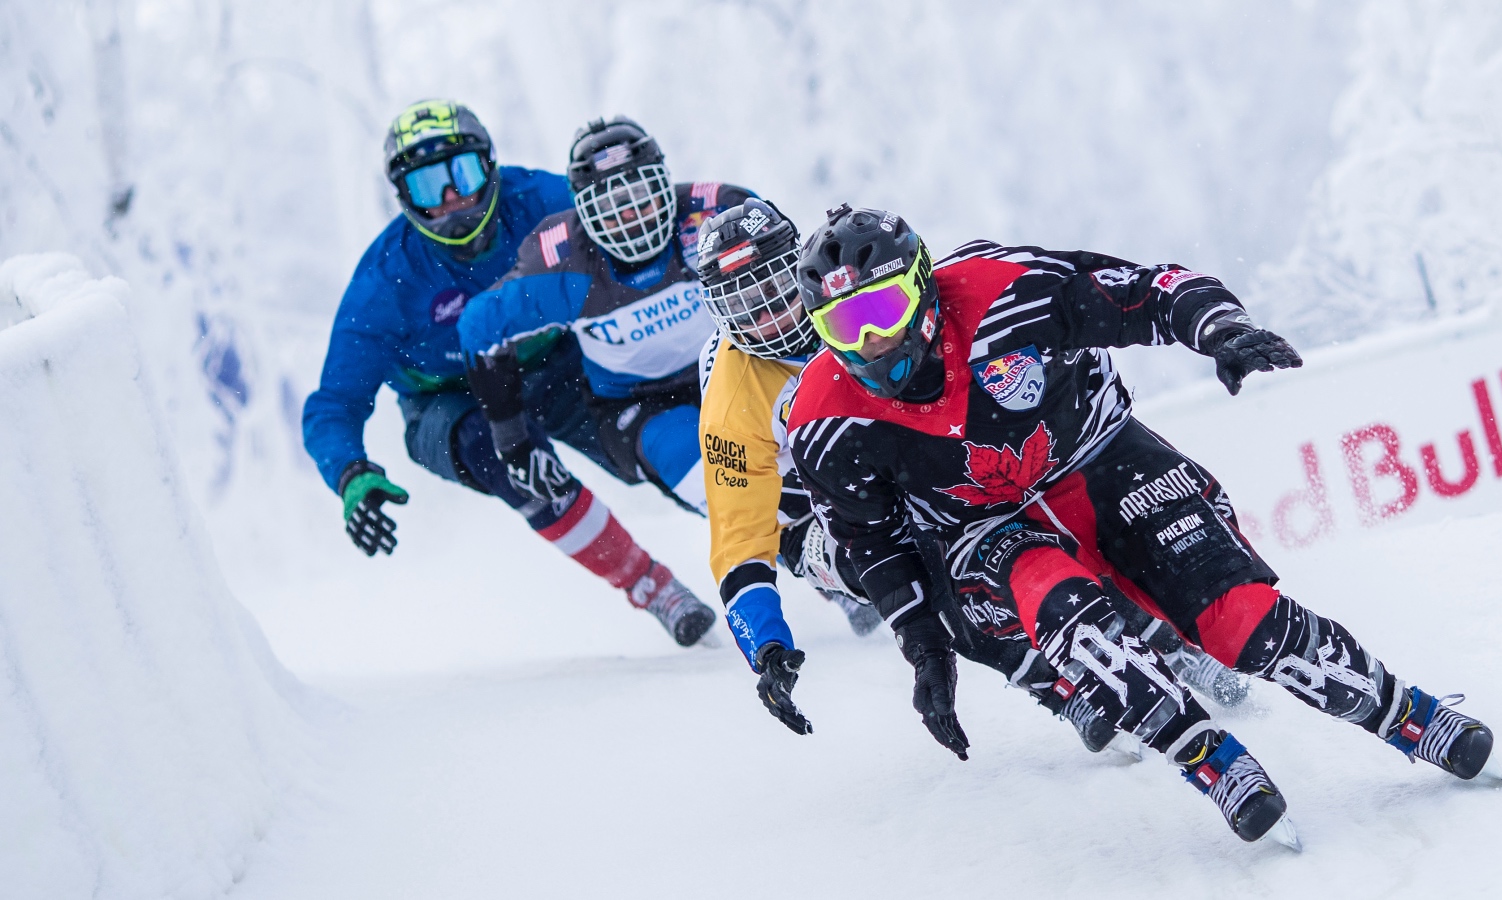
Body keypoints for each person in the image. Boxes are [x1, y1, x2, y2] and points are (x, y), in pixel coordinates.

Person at [787, 204, 1502, 845]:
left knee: (1243, 625)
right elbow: (870, 542)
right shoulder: (823, 419)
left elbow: (1145, 292)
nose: (872, 342)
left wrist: (1221, 330)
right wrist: (926, 651)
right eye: (844, 327)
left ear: (923, 285)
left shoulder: (1006, 287)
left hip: (1104, 462)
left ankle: (1407, 712)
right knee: (1079, 625)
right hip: (986, 534)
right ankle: (1208, 760)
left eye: (882, 309)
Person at [693, 200, 1241, 745]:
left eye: (775, 292)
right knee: (928, 577)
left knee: (1018, 516)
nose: (769, 318)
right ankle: (1054, 687)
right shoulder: (732, 398)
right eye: (746, 310)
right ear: (723, 319)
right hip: (818, 519)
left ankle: (1161, 633)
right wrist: (765, 647)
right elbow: (739, 537)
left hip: (916, 464)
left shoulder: (860, 293)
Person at [302, 100, 712, 647]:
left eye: (463, 174)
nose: (453, 199)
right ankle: (650, 586)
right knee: (508, 460)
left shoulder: (544, 203)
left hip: (553, 364)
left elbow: (642, 229)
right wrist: (350, 473)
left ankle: (797, 546)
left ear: (491, 166)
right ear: (404, 200)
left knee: (651, 451)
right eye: (430, 186)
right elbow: (334, 401)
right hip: (447, 401)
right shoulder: (384, 282)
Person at [457, 116, 747, 518]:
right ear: (583, 212)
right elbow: (478, 327)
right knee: (707, 470)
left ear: (666, 185)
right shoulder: (561, 265)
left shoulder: (715, 214)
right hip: (641, 403)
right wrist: (514, 443)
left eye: (642, 196)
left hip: (742, 367)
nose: (631, 217)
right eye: (610, 206)